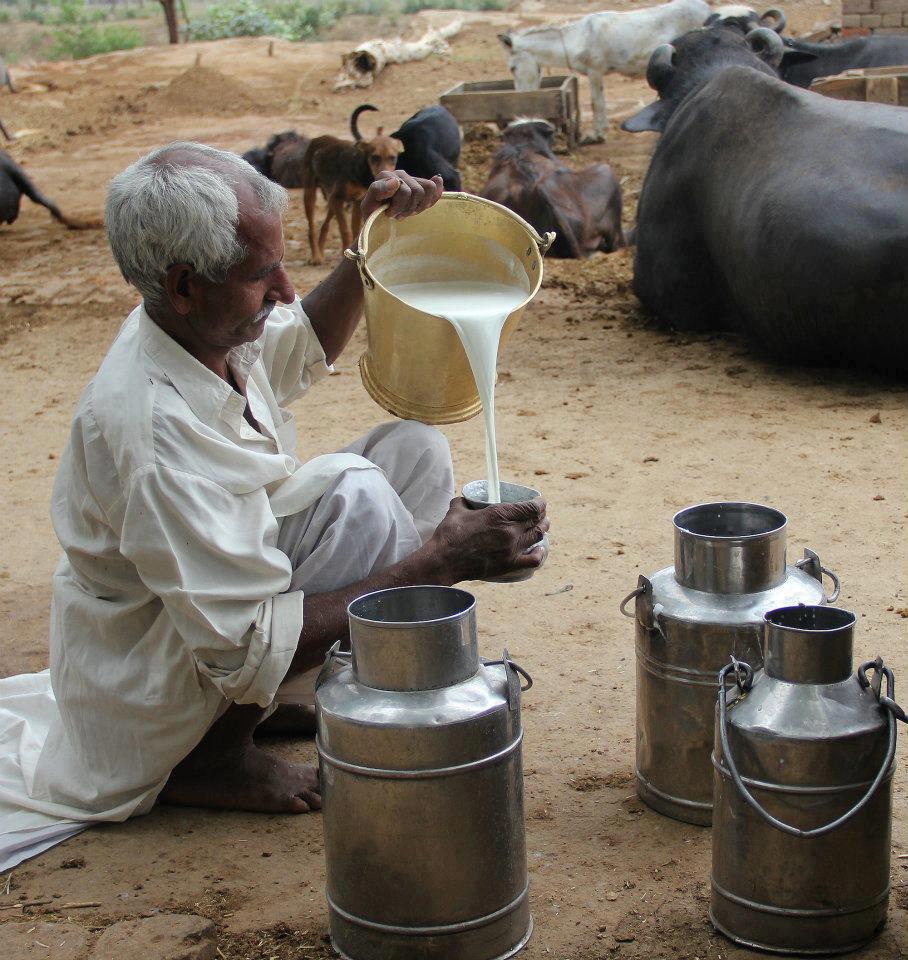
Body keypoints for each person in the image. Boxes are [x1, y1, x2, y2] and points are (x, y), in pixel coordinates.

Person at [0, 142, 549, 871]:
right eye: (263, 275)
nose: (287, 290)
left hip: (210, 601)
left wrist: (366, 251)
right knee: (356, 497)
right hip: (157, 664)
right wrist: (443, 559)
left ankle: (267, 706)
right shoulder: (151, 434)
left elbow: (299, 342)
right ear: (185, 284)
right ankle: (209, 757)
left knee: (413, 449)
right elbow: (240, 644)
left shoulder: (201, 327)